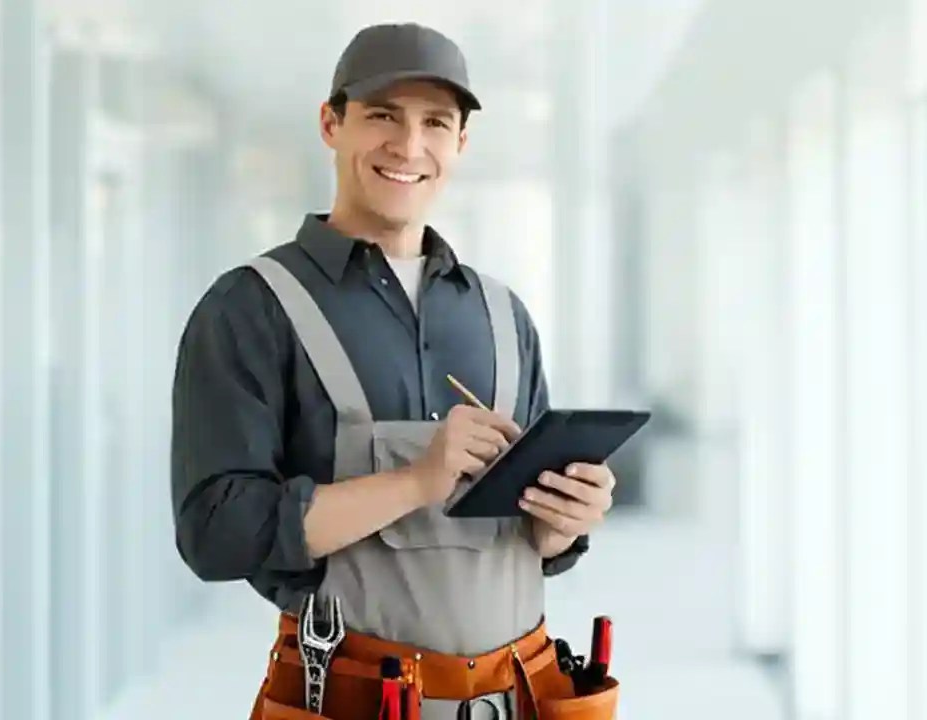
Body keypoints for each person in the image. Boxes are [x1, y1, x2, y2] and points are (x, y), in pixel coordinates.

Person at [171, 22, 619, 720]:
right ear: (332, 123)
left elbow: (534, 544)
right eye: (382, 115)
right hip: (347, 700)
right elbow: (215, 532)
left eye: (435, 123)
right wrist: (415, 481)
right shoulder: (252, 308)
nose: (408, 147)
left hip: (517, 697)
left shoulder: (504, 316)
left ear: (460, 143)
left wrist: (565, 520)